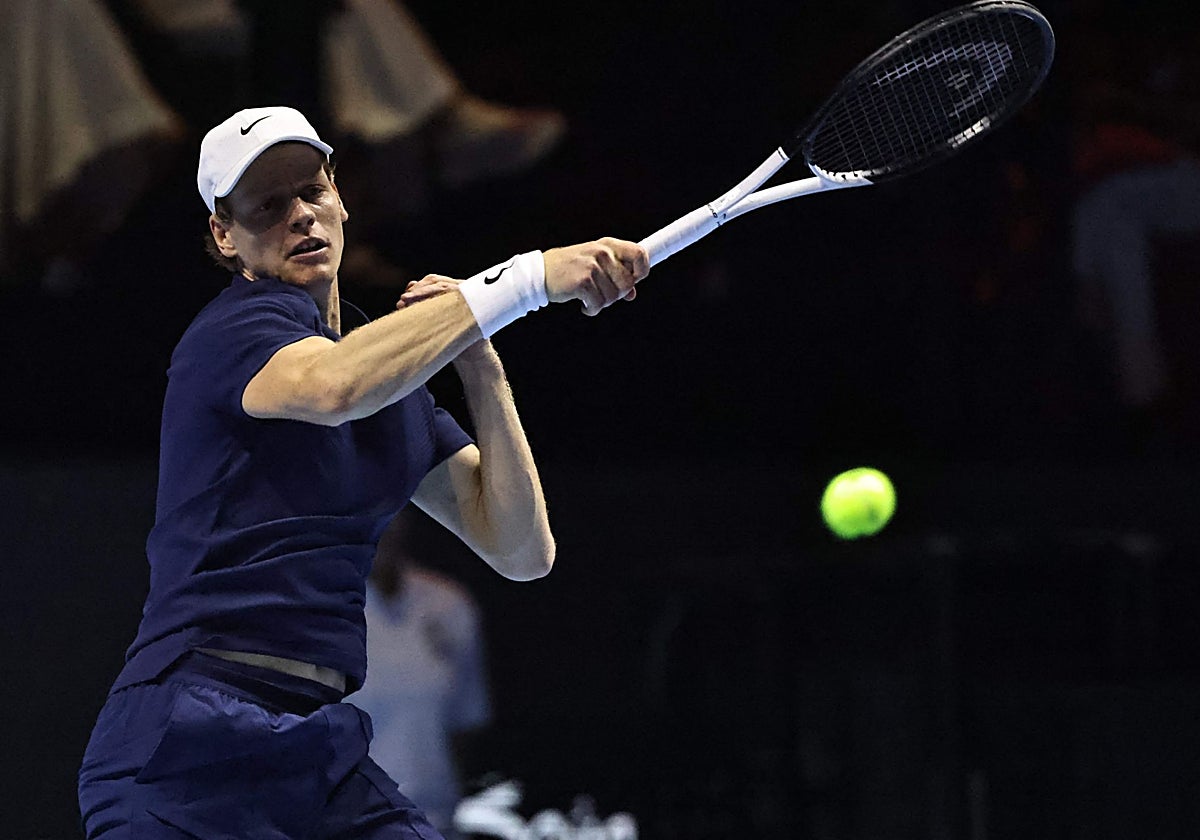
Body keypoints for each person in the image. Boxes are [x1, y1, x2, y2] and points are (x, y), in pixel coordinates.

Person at [76, 105, 647, 838]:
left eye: (311, 191)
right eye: (267, 206)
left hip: (316, 750)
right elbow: (335, 387)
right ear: (224, 235)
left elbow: (520, 550)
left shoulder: (392, 382)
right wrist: (527, 280)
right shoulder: (237, 329)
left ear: (340, 195)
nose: (300, 216)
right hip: (185, 745)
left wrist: (478, 358)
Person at [351, 510, 492, 839]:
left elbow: (465, 723)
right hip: (345, 825)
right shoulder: (315, 608)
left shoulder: (450, 603)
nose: (383, 526)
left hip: (435, 822)